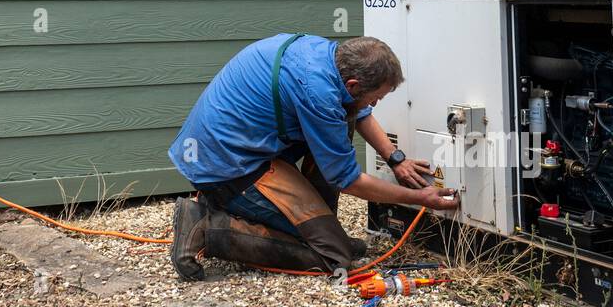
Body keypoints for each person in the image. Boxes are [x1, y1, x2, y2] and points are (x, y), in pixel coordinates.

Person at [167, 34, 458, 280]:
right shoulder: (317, 92)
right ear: (354, 84)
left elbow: (358, 109)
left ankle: (321, 227)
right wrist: (421, 198)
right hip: (228, 169)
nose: (377, 104)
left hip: (241, 151)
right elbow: (348, 180)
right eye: (377, 97)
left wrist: (395, 158)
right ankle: (206, 225)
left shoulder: (328, 57)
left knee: (347, 114)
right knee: (334, 258)